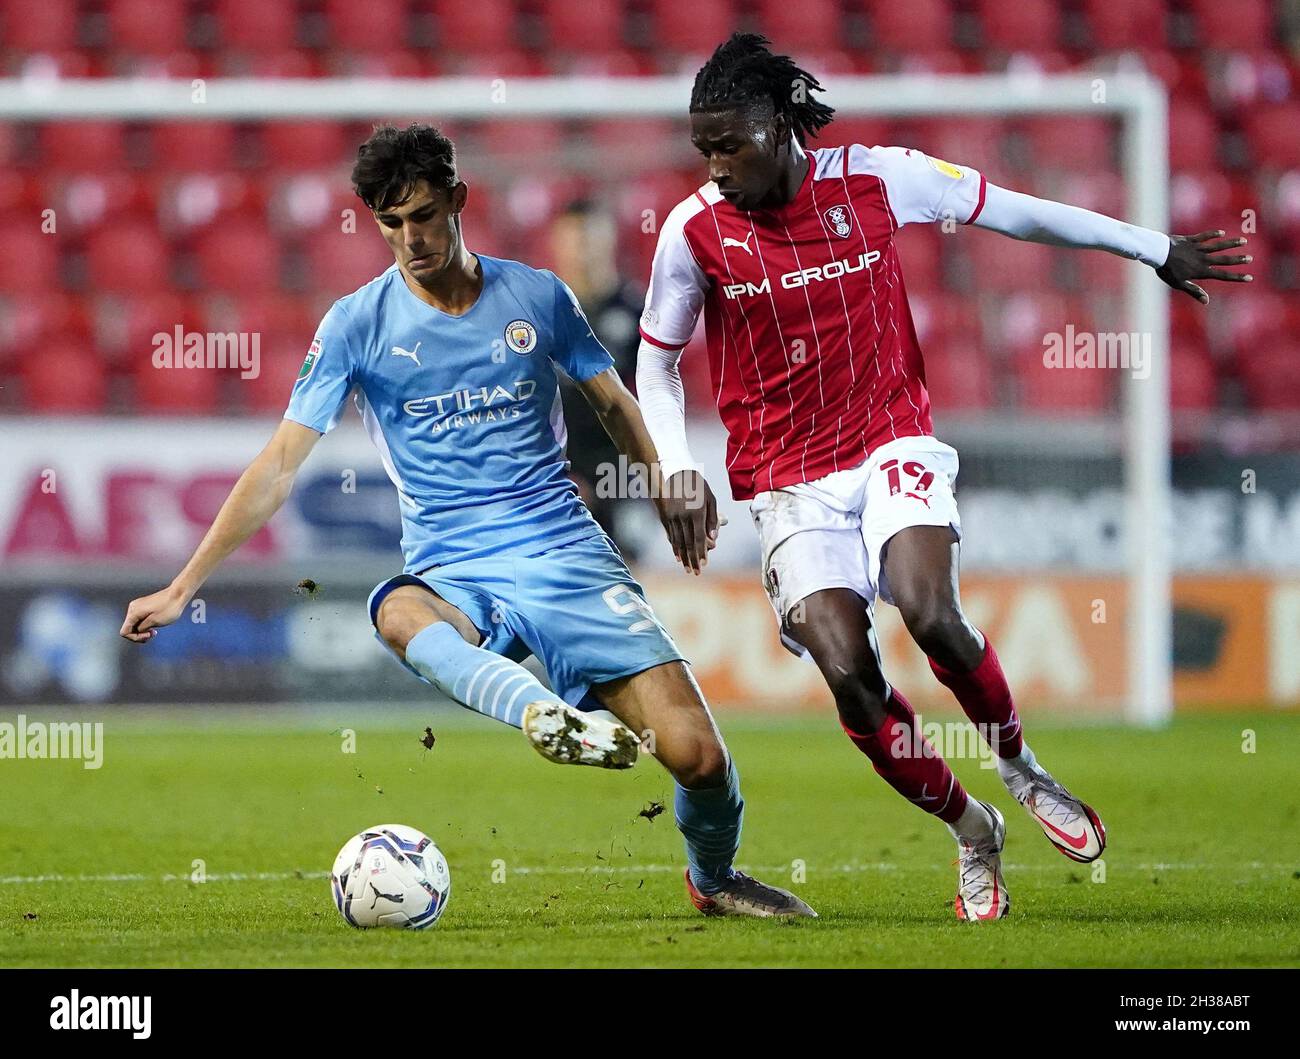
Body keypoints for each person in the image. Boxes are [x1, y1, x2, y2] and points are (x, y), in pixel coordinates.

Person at [120, 122, 814, 919]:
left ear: (458, 201)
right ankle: (539, 714)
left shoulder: (538, 297)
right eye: (390, 223)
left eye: (422, 215)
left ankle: (715, 878)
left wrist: (665, 482)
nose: (410, 239)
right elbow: (278, 464)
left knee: (698, 758)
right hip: (454, 565)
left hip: (564, 549)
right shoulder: (356, 323)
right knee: (395, 607)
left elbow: (613, 401)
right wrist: (181, 587)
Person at [635, 34, 1251, 920]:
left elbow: (1019, 211)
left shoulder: (881, 178)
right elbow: (656, 364)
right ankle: (973, 830)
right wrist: (677, 467)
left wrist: (1152, 247)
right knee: (848, 669)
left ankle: (1021, 765)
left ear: (777, 125)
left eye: (729, 142)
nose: (715, 163)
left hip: (891, 441)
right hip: (785, 480)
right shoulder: (693, 232)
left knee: (931, 612)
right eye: (704, 147)